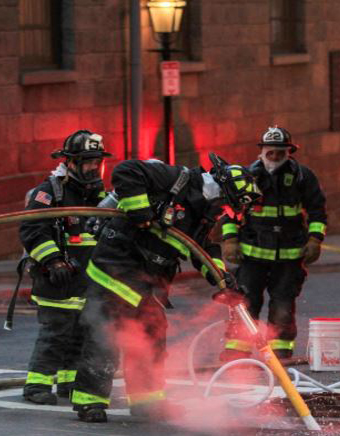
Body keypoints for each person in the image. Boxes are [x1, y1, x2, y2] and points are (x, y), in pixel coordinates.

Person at [70, 154, 260, 423]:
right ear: (221, 189)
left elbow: (200, 248)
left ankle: (147, 402)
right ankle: (89, 402)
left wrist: (221, 277)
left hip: (148, 283)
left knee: (151, 339)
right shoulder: (176, 180)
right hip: (115, 272)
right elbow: (126, 170)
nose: (224, 212)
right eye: (227, 205)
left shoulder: (202, 213)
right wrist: (140, 209)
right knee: (107, 339)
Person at [218, 126, 327, 362]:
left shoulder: (302, 177)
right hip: (252, 255)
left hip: (289, 255)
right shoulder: (247, 177)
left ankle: (280, 353)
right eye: (271, 152)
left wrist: (315, 239)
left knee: (283, 304)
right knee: (246, 302)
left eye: (280, 152)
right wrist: (230, 240)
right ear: (262, 151)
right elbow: (230, 211)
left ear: (289, 152)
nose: (275, 156)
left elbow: (317, 210)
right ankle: (238, 351)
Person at [19, 130, 110, 405]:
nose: (93, 167)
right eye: (87, 162)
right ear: (70, 162)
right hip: (57, 279)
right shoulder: (51, 192)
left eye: (97, 162)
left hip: (87, 281)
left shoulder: (99, 195)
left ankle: (68, 383)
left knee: (80, 337)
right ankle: (37, 386)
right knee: (55, 336)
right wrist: (53, 260)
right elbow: (32, 230)